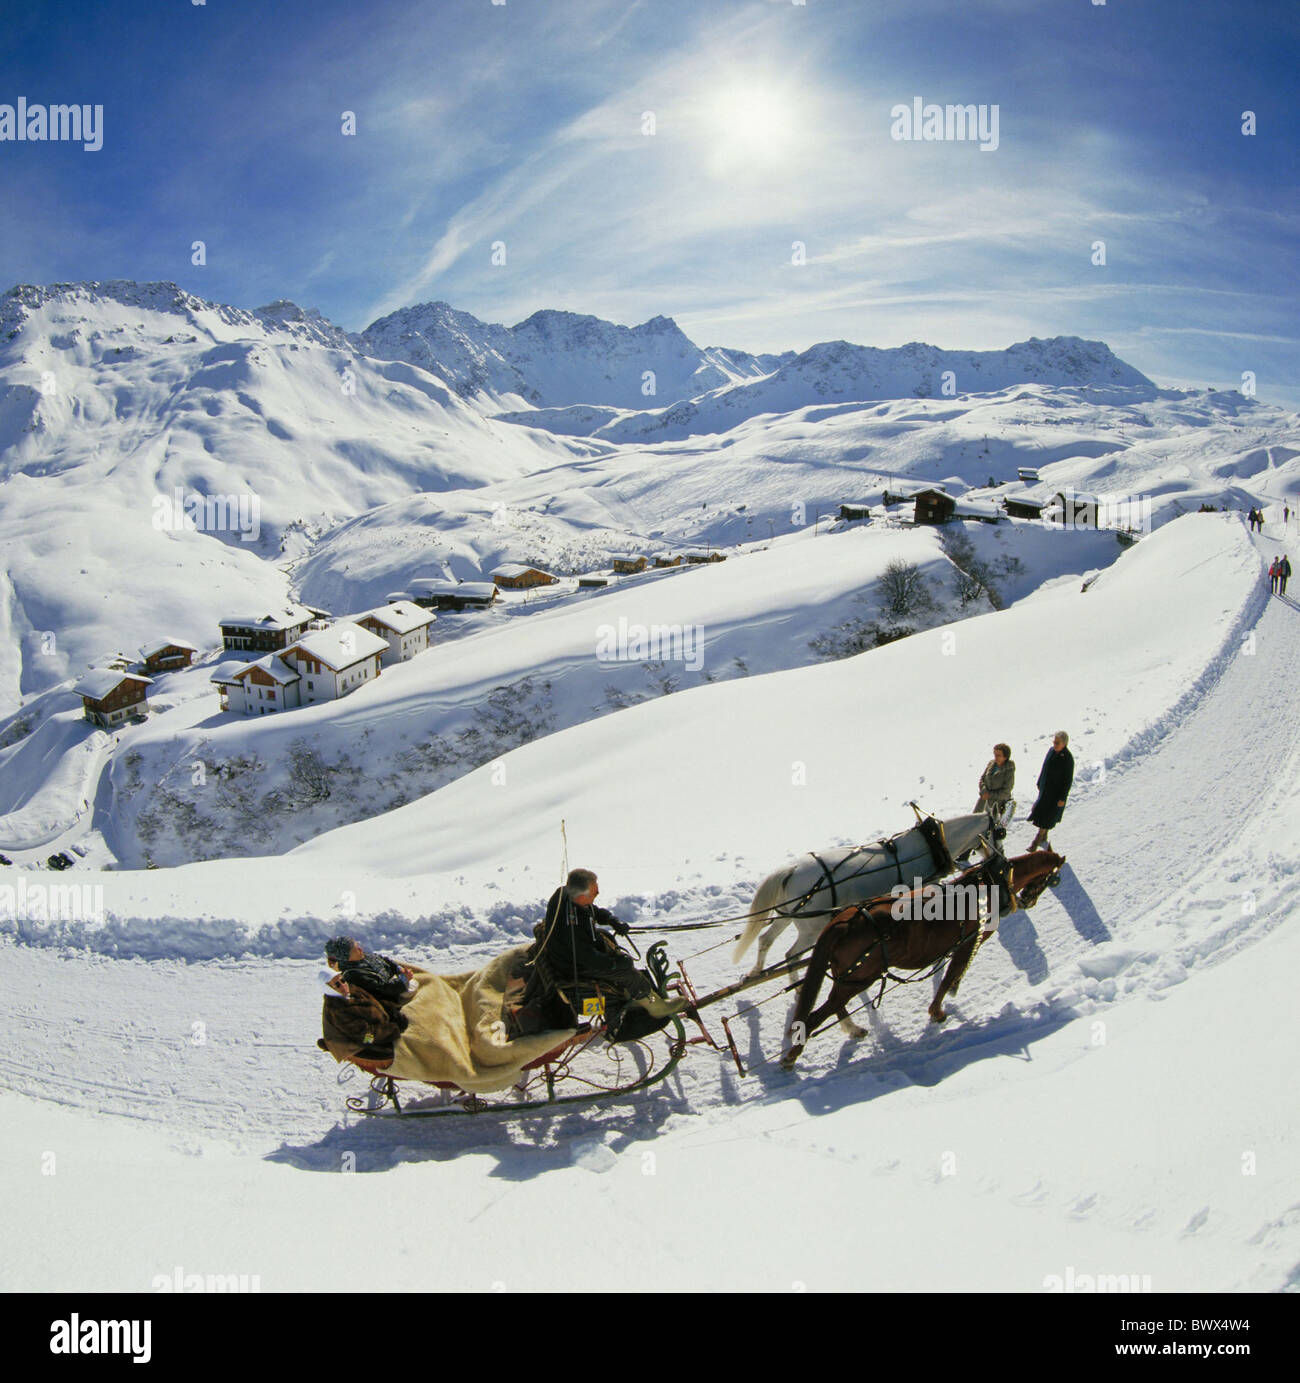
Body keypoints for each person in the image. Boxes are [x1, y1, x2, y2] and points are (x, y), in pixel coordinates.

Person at [519, 869, 685, 1037]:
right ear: (582, 896)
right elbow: (589, 959)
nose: (598, 893)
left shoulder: (565, 894)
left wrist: (611, 919)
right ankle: (656, 1008)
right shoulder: (571, 926)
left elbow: (592, 910)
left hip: (570, 955)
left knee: (610, 945)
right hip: (574, 966)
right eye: (594, 892)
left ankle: (634, 994)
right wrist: (616, 963)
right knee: (627, 972)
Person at [317, 966, 409, 1064]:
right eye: (337, 985)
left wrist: (392, 1011)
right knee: (402, 1053)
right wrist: (394, 1029)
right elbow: (366, 1037)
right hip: (361, 1043)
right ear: (329, 989)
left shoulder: (352, 990)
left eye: (342, 980)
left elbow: (374, 1001)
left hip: (377, 1029)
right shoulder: (338, 1011)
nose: (343, 985)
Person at [325, 936, 415, 1003]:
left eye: (357, 946)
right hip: (388, 998)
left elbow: (383, 959)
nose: (360, 949)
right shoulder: (355, 975)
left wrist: (399, 969)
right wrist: (404, 980)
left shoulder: (361, 956)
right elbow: (384, 989)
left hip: (394, 980)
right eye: (356, 949)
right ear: (347, 958)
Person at [1028, 731, 1074, 852]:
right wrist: (1040, 781)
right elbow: (1045, 767)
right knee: (1043, 814)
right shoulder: (1051, 751)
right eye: (1054, 742)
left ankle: (1036, 841)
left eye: (1057, 742)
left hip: (1056, 793)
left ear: (1064, 743)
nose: (1055, 744)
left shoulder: (1068, 759)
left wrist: (1062, 798)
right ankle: (1044, 836)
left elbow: (1067, 780)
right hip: (1046, 790)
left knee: (1047, 817)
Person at [974, 742, 1016, 839]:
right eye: (995, 754)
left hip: (997, 805)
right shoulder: (991, 764)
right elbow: (982, 779)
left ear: (1005, 757)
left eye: (999, 755)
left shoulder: (1009, 769)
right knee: (976, 824)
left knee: (991, 831)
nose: (996, 757)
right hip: (983, 801)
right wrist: (983, 790)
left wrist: (990, 795)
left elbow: (1006, 792)